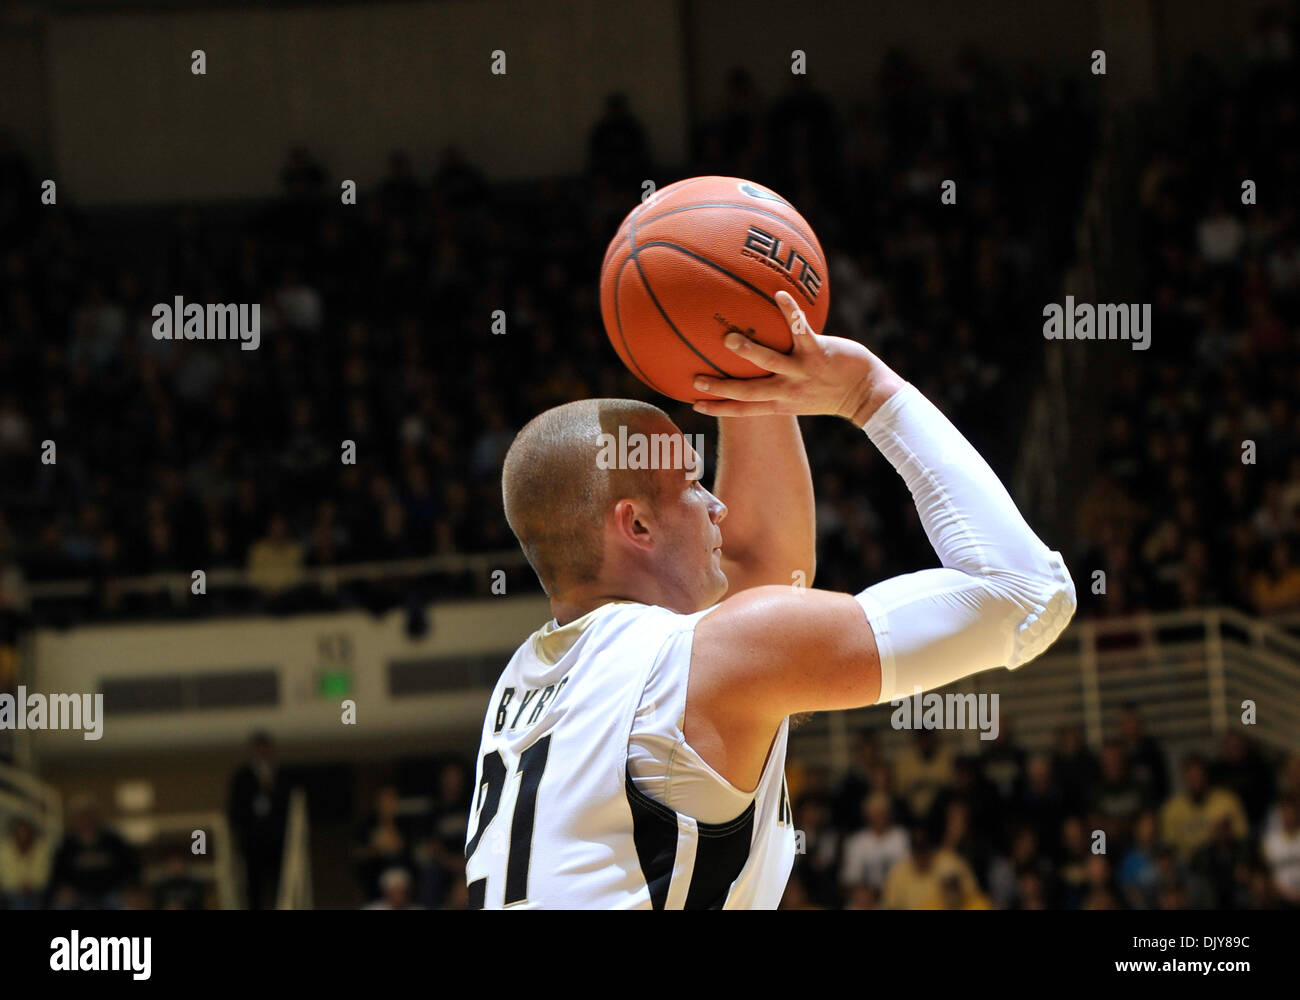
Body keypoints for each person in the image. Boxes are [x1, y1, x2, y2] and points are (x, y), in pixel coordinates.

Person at [465, 290, 1076, 908]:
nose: (716, 505)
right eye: (691, 484)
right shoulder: (700, 661)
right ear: (639, 527)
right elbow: (1027, 595)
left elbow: (763, 569)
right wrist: (867, 393)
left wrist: (744, 359)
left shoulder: (525, 683)